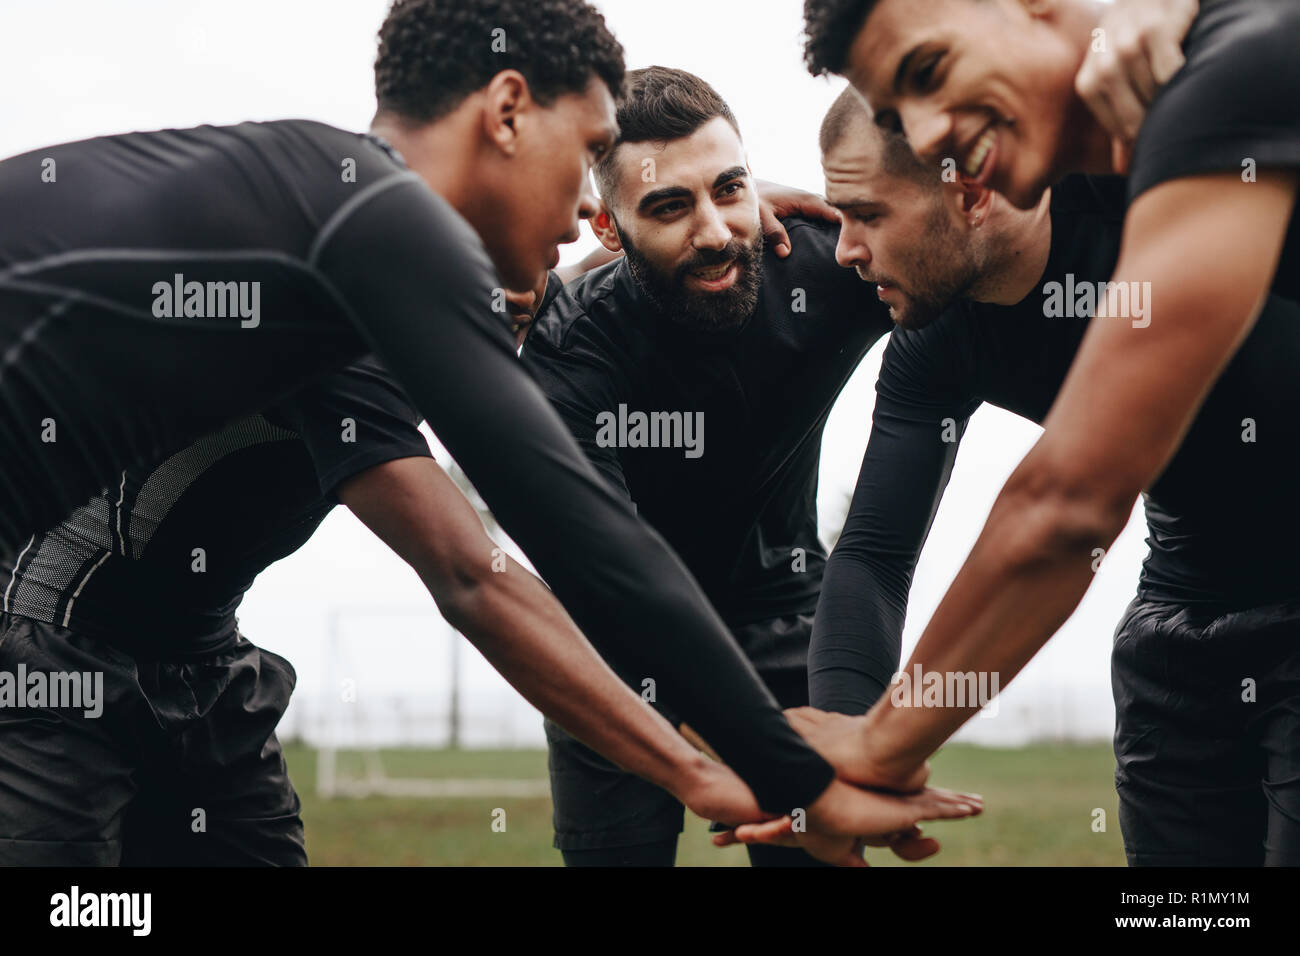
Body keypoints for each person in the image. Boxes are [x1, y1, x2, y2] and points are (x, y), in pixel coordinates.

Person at [0, 0, 981, 866]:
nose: (590, 202)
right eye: (588, 147)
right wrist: (747, 771)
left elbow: (582, 308)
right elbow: (492, 567)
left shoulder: (350, 218)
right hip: (51, 644)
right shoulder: (367, 240)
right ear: (508, 110)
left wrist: (710, 225)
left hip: (204, 659)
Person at [780, 0, 1300, 811]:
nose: (925, 134)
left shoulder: (1218, 76)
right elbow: (875, 556)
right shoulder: (940, 328)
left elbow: (1070, 502)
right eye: (895, 113)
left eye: (928, 73)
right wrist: (837, 765)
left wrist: (883, 744)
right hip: (1181, 612)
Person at [520, 66, 903, 866]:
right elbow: (601, 578)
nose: (717, 232)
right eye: (668, 206)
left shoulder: (828, 267)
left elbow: (957, 257)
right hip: (615, 650)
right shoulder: (571, 344)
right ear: (609, 230)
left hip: (790, 620)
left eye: (729, 189)